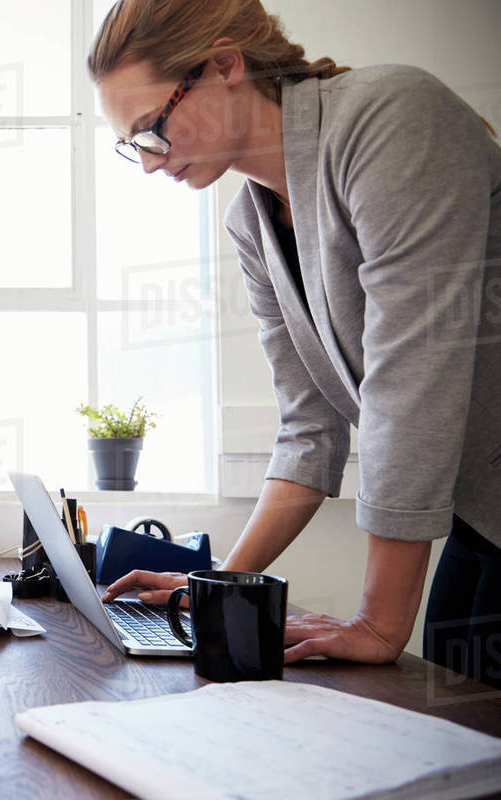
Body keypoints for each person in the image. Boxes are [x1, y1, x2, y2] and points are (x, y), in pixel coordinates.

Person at [88, 0, 500, 687]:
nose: (149, 164)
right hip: (479, 510)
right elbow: (310, 428)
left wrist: (376, 618)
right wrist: (212, 586)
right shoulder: (251, 222)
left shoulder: (390, 117)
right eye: (133, 143)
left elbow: (414, 384)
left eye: (153, 128)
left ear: (225, 65)